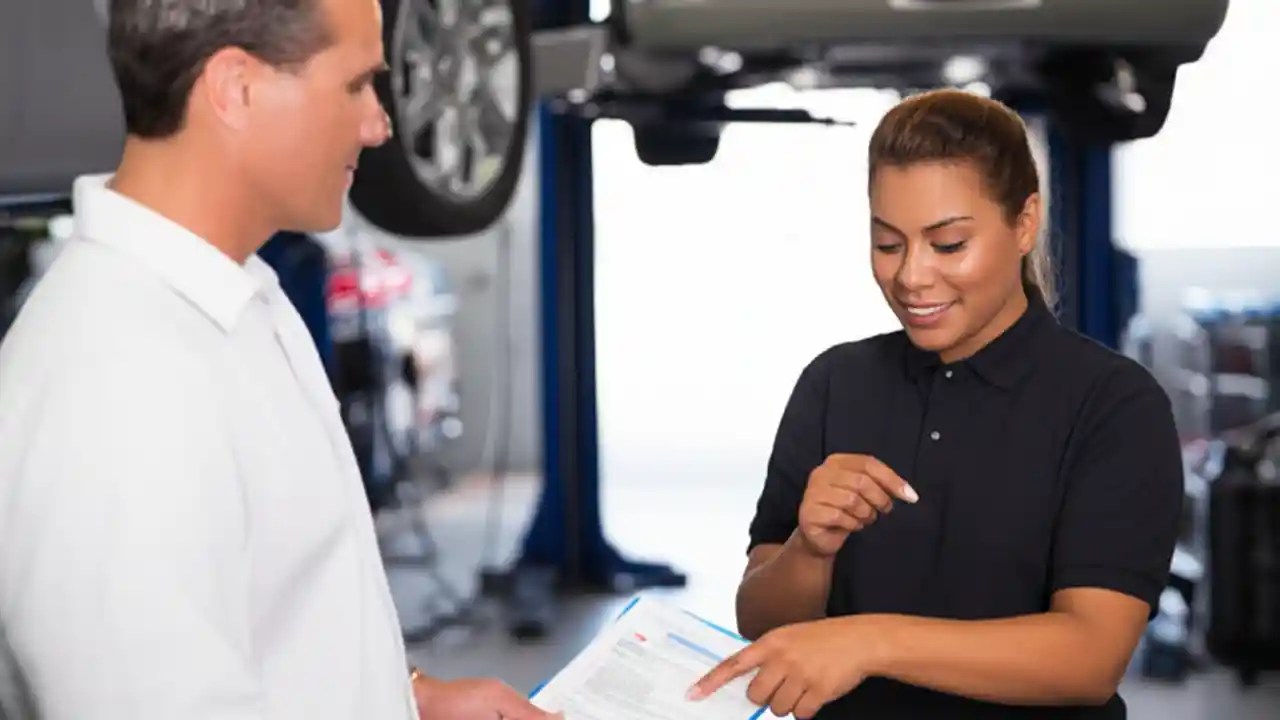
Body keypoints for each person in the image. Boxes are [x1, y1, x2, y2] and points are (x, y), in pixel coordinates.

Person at [0, 1, 555, 719]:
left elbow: (273, 619)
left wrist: (409, 696)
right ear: (237, 88)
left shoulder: (231, 294)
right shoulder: (113, 389)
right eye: (356, 85)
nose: (379, 125)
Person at [689, 89, 1183, 719]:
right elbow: (762, 622)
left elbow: (1089, 656)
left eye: (948, 244)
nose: (911, 277)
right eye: (888, 244)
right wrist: (810, 550)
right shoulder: (836, 383)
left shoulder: (1113, 405)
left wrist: (870, 641)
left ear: (1024, 222)